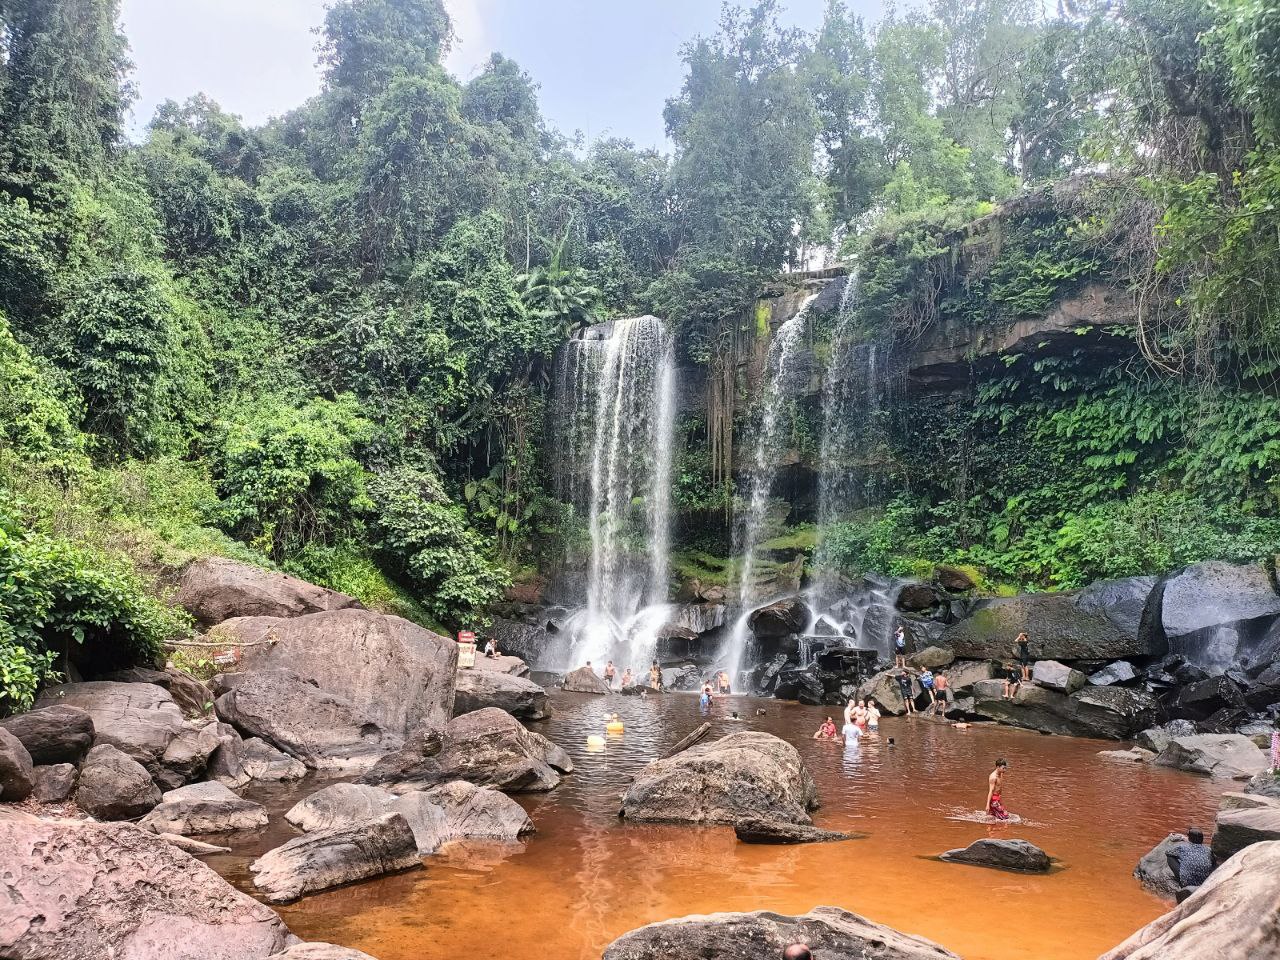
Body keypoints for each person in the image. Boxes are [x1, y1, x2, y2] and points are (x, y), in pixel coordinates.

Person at [1167, 828, 1215, 898]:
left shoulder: (1183, 848)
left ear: (1189, 838)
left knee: (1170, 857)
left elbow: (1168, 852)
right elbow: (1213, 863)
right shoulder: (1208, 850)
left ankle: (1180, 882)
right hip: (1203, 883)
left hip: (1187, 883)